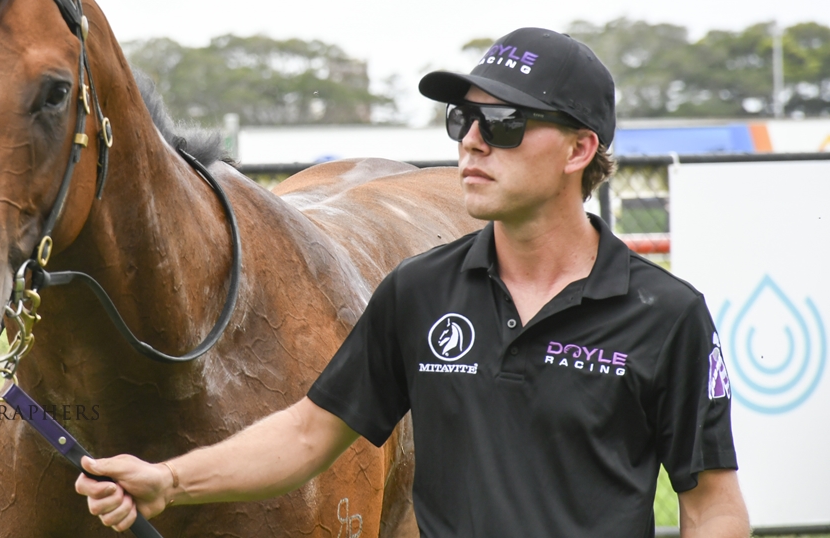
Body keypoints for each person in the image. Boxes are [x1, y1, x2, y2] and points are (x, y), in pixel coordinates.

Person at [76, 27, 749, 537]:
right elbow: (309, 435)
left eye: (506, 122)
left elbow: (712, 504)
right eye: (464, 119)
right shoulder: (418, 291)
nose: (473, 141)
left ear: (580, 150)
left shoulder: (666, 316)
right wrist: (168, 479)